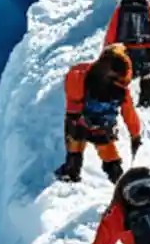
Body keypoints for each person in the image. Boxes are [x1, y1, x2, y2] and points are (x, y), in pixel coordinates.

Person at [54, 44, 142, 184]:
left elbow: (73, 94)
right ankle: (119, 179)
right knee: (107, 151)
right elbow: (129, 113)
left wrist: (74, 115)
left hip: (80, 121)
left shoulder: (83, 72)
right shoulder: (122, 89)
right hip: (103, 127)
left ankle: (71, 171)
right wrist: (135, 134)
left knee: (75, 141)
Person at [103, 0, 150, 108]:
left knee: (122, 78)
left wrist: (107, 51)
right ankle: (146, 104)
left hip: (125, 49)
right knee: (146, 77)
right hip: (146, 48)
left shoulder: (121, 9)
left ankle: (122, 106)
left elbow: (112, 31)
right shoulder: (148, 8)